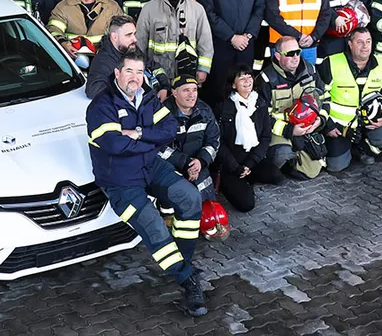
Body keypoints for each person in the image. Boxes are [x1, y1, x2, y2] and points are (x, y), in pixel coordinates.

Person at [85, 49, 207, 317]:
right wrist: (148, 140)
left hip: (151, 167)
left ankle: (182, 262)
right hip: (120, 180)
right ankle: (187, 280)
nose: (135, 77)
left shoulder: (148, 99)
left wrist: (137, 133)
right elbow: (113, 144)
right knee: (153, 225)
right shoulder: (100, 106)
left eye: (140, 72)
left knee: (189, 197)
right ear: (117, 73)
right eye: (129, 71)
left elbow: (169, 129)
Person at [196, 0, 265, 107]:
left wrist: (248, 35)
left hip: (246, 45)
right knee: (219, 92)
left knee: (244, 92)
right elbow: (207, 12)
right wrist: (231, 37)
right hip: (220, 46)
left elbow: (259, 7)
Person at [316, 28, 382, 170]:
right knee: (335, 166)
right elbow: (319, 97)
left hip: (369, 124)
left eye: (368, 41)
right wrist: (328, 126)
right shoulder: (331, 63)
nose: (365, 46)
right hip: (339, 127)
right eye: (359, 42)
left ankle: (363, 148)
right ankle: (346, 148)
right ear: (350, 44)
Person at [136, 0, 214, 93]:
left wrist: (203, 69)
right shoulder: (149, 9)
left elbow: (205, 42)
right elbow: (139, 44)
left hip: (187, 75)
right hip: (158, 76)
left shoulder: (197, 9)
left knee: (185, 109)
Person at [258, 36, 326, 179]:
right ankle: (279, 162)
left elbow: (324, 98)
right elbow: (261, 118)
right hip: (280, 131)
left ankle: (296, 159)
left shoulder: (310, 70)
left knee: (311, 172)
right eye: (290, 54)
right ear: (277, 55)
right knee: (282, 154)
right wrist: (290, 130)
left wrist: (320, 120)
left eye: (297, 52)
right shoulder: (266, 79)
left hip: (308, 127)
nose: (295, 57)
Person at [216, 65, 273, 213]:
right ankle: (231, 183)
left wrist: (251, 163)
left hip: (251, 159)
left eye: (249, 77)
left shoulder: (260, 103)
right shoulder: (223, 107)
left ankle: (248, 177)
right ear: (234, 85)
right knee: (246, 205)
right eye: (242, 78)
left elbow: (266, 136)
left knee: (276, 176)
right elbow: (219, 143)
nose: (247, 81)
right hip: (232, 163)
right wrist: (236, 167)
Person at [161, 76, 220, 201]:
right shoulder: (162, 113)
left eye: (194, 90)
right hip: (170, 168)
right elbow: (158, 147)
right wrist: (186, 162)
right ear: (174, 93)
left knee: (208, 205)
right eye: (186, 90)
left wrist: (201, 161)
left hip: (199, 167)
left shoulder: (205, 111)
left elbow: (214, 141)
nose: (192, 95)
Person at [48, 0, 125, 57]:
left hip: (105, 61)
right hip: (74, 61)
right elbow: (53, 30)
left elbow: (123, 33)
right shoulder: (62, 8)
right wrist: (63, 44)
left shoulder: (112, 7)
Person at [84, 15, 138, 99]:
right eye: (128, 35)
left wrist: (163, 86)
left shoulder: (130, 48)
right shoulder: (103, 61)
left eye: (134, 34)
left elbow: (152, 65)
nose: (134, 39)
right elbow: (93, 91)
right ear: (114, 37)